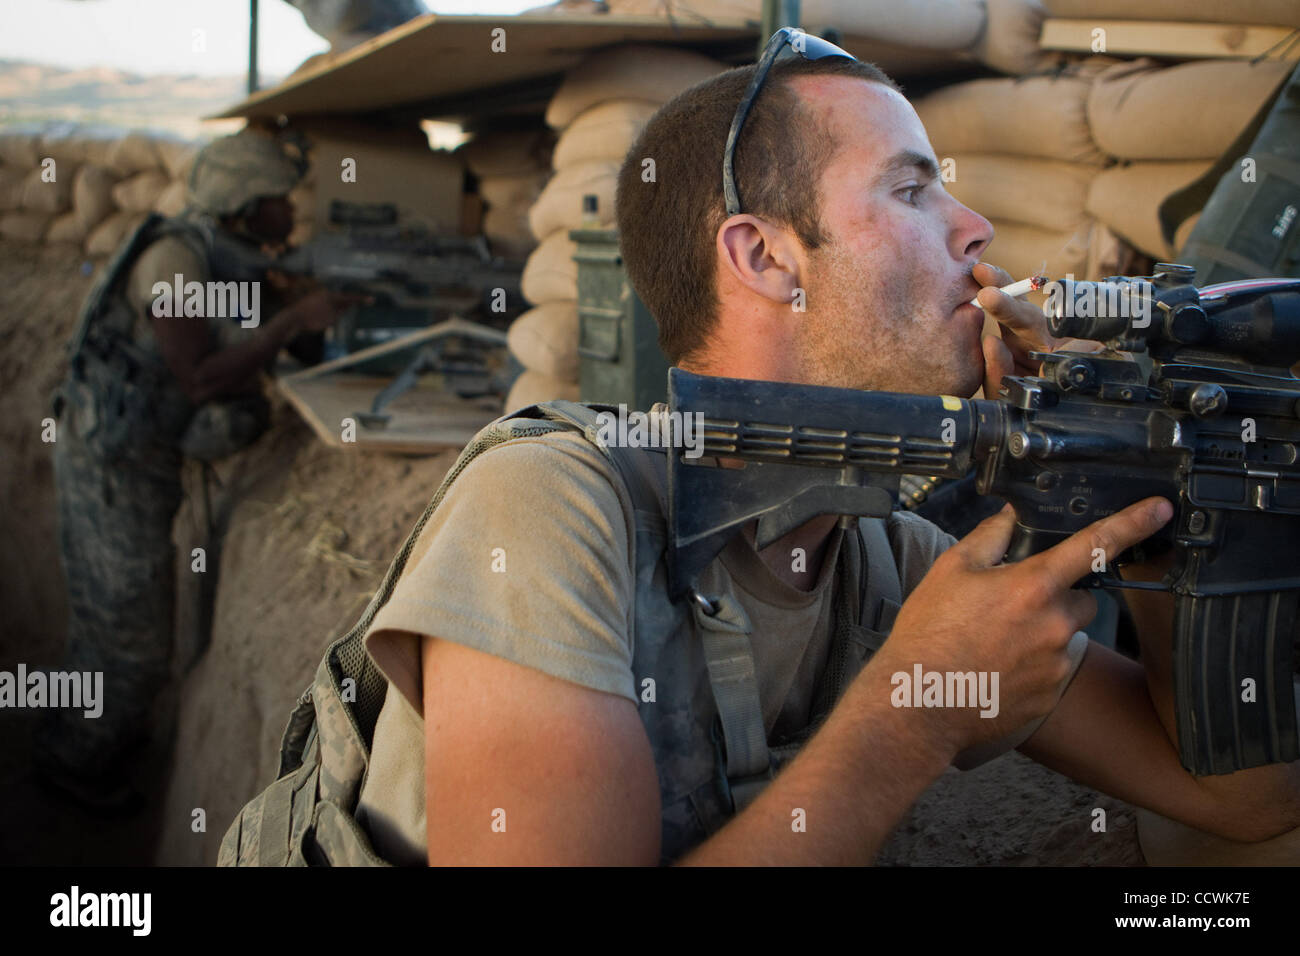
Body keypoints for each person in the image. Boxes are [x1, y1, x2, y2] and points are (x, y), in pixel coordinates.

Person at [348, 32, 1300, 865]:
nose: (978, 230)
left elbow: (1238, 799)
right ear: (766, 259)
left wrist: (1153, 490)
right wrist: (911, 720)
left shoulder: (883, 557)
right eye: (912, 189)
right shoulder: (549, 507)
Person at [35, 129, 355, 811]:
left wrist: (293, 310)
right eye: (277, 200)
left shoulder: (220, 256)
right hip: (110, 463)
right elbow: (200, 376)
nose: (290, 214)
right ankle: (74, 770)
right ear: (243, 201)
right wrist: (290, 317)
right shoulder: (175, 258)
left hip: (138, 456)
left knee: (122, 621)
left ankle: (92, 747)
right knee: (128, 634)